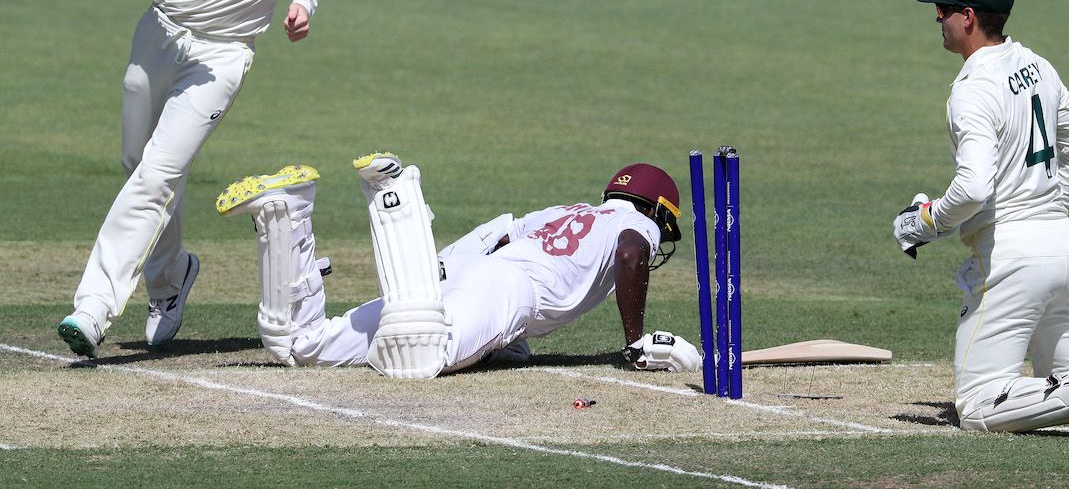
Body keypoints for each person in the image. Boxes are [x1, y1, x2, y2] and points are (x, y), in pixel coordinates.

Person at [58, 0, 344, 356]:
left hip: (223, 55)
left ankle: (92, 308)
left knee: (159, 174)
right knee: (140, 165)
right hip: (161, 36)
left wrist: (304, 0)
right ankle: (172, 279)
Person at [892, 0, 1069, 441]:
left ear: (968, 17)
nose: (937, 19)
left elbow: (972, 189)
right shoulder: (1038, 65)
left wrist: (924, 222)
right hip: (1067, 250)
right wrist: (1048, 210)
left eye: (943, 10)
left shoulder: (972, 90)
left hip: (1012, 260)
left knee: (976, 405)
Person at [213, 153, 702, 377]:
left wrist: (441, 270)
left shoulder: (570, 212)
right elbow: (632, 254)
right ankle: (396, 195)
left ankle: (287, 213)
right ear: (656, 208)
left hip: (472, 275)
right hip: (510, 290)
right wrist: (635, 341)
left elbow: (499, 235)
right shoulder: (638, 223)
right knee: (416, 360)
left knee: (301, 345)